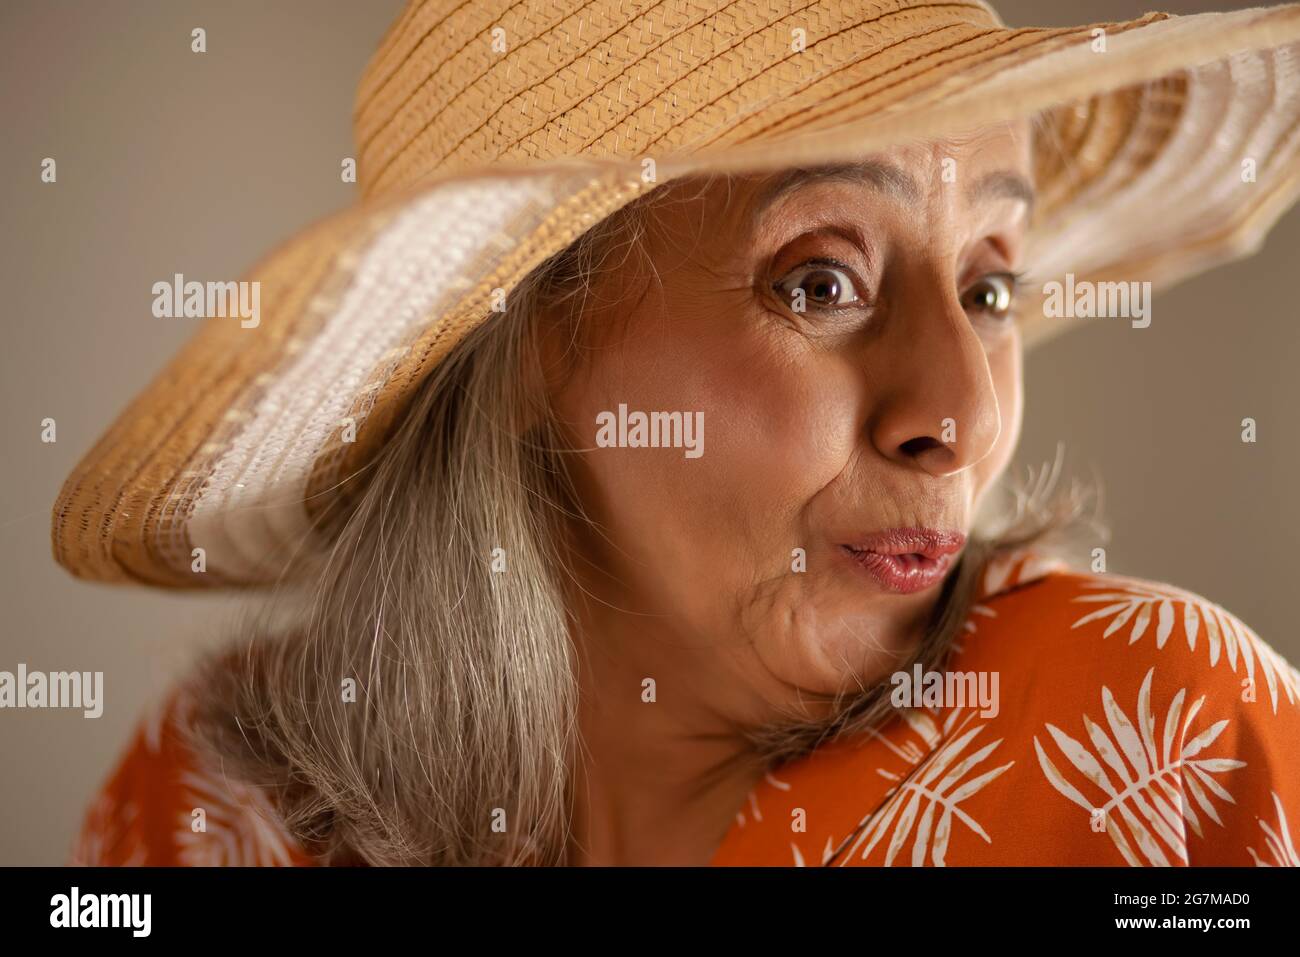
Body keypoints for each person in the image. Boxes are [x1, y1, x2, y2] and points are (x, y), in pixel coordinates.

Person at [57, 0, 1300, 866]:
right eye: (819, 283)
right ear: (536, 337)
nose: (961, 416)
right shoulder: (219, 808)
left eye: (987, 288)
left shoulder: (1163, 738)